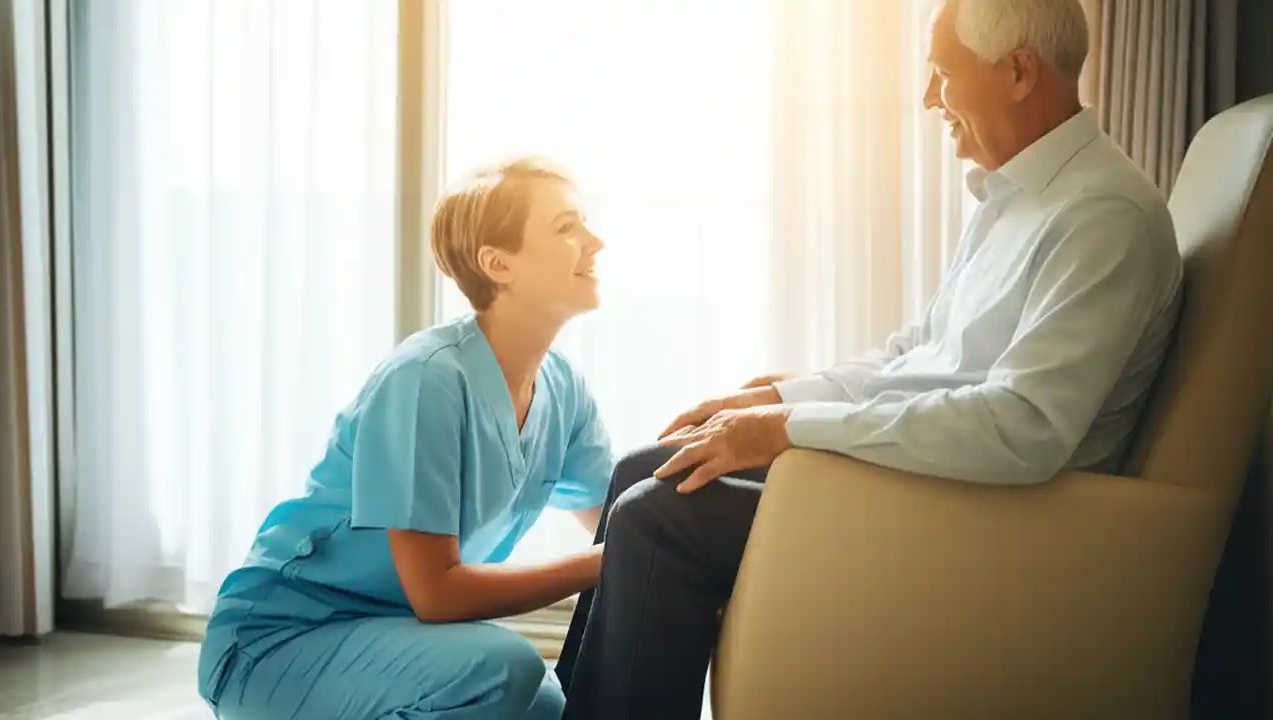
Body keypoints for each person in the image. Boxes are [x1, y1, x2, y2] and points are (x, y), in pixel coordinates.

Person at [557, 0, 1184, 717]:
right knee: (647, 465)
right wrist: (779, 401)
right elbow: (916, 356)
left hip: (993, 520)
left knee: (661, 517)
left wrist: (790, 429)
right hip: (935, 479)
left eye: (943, 73)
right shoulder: (1014, 198)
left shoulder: (1104, 219)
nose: (928, 98)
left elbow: (1024, 428)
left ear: (1017, 72)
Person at [197, 158, 612, 720]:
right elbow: (437, 594)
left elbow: (618, 518)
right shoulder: (426, 378)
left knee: (543, 708)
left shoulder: (563, 388)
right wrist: (603, 563)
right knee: (504, 669)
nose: (596, 241)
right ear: (498, 263)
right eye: (567, 227)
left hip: (388, 638)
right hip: (280, 643)